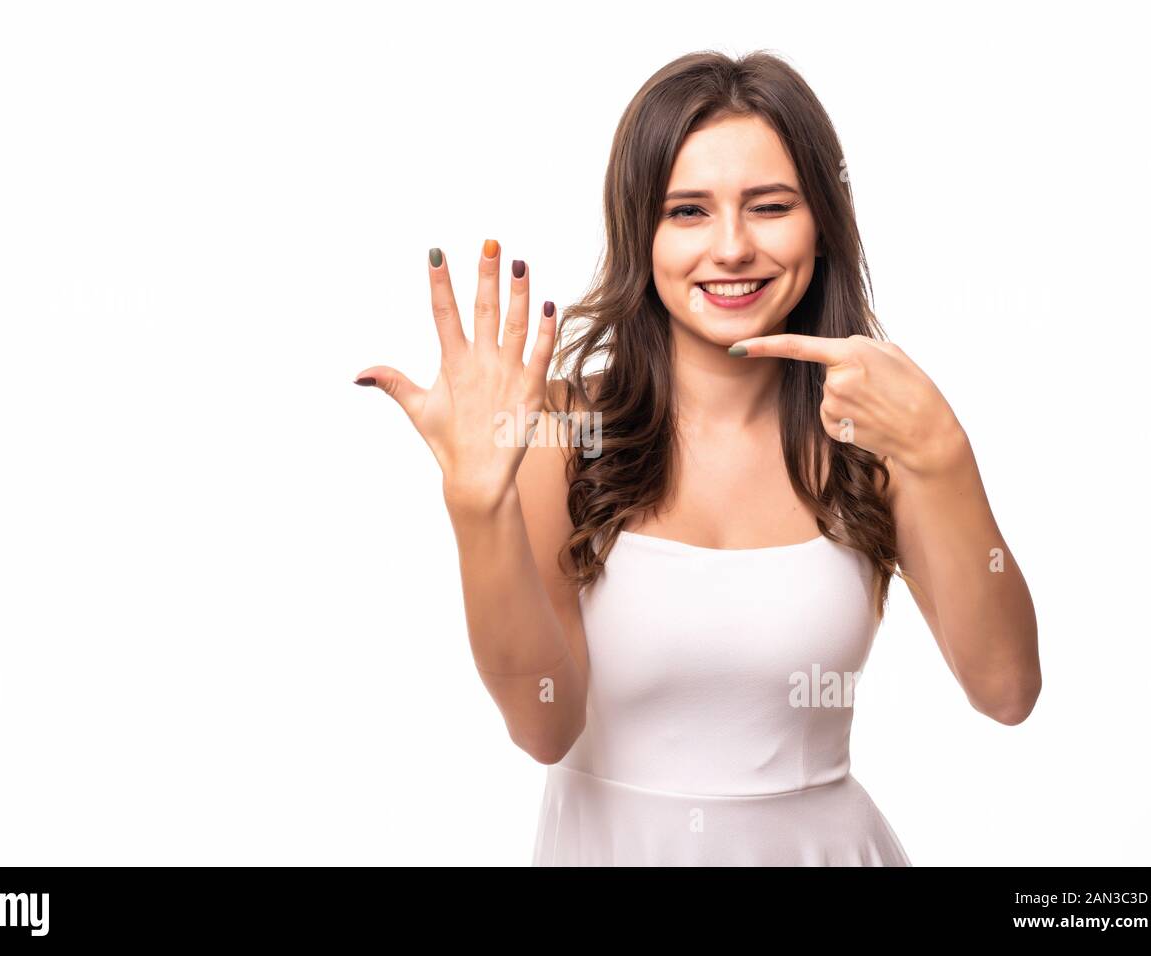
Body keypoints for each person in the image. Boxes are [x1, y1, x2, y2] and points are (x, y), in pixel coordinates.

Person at [353, 49, 1041, 866]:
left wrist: (944, 454)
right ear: (640, 233)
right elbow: (544, 726)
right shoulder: (563, 433)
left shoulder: (878, 431)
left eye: (770, 206)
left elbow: (1006, 690)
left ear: (822, 222)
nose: (732, 247)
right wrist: (477, 507)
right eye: (687, 211)